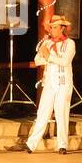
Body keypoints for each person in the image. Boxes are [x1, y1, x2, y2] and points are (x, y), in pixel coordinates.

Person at [23, 15, 75, 154]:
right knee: (42, 112)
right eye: (51, 27)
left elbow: (64, 61)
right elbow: (38, 60)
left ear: (62, 28)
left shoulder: (69, 43)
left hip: (63, 83)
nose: (52, 30)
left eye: (55, 27)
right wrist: (46, 56)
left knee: (61, 112)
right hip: (50, 82)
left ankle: (62, 145)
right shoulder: (47, 43)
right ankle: (31, 143)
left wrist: (49, 57)